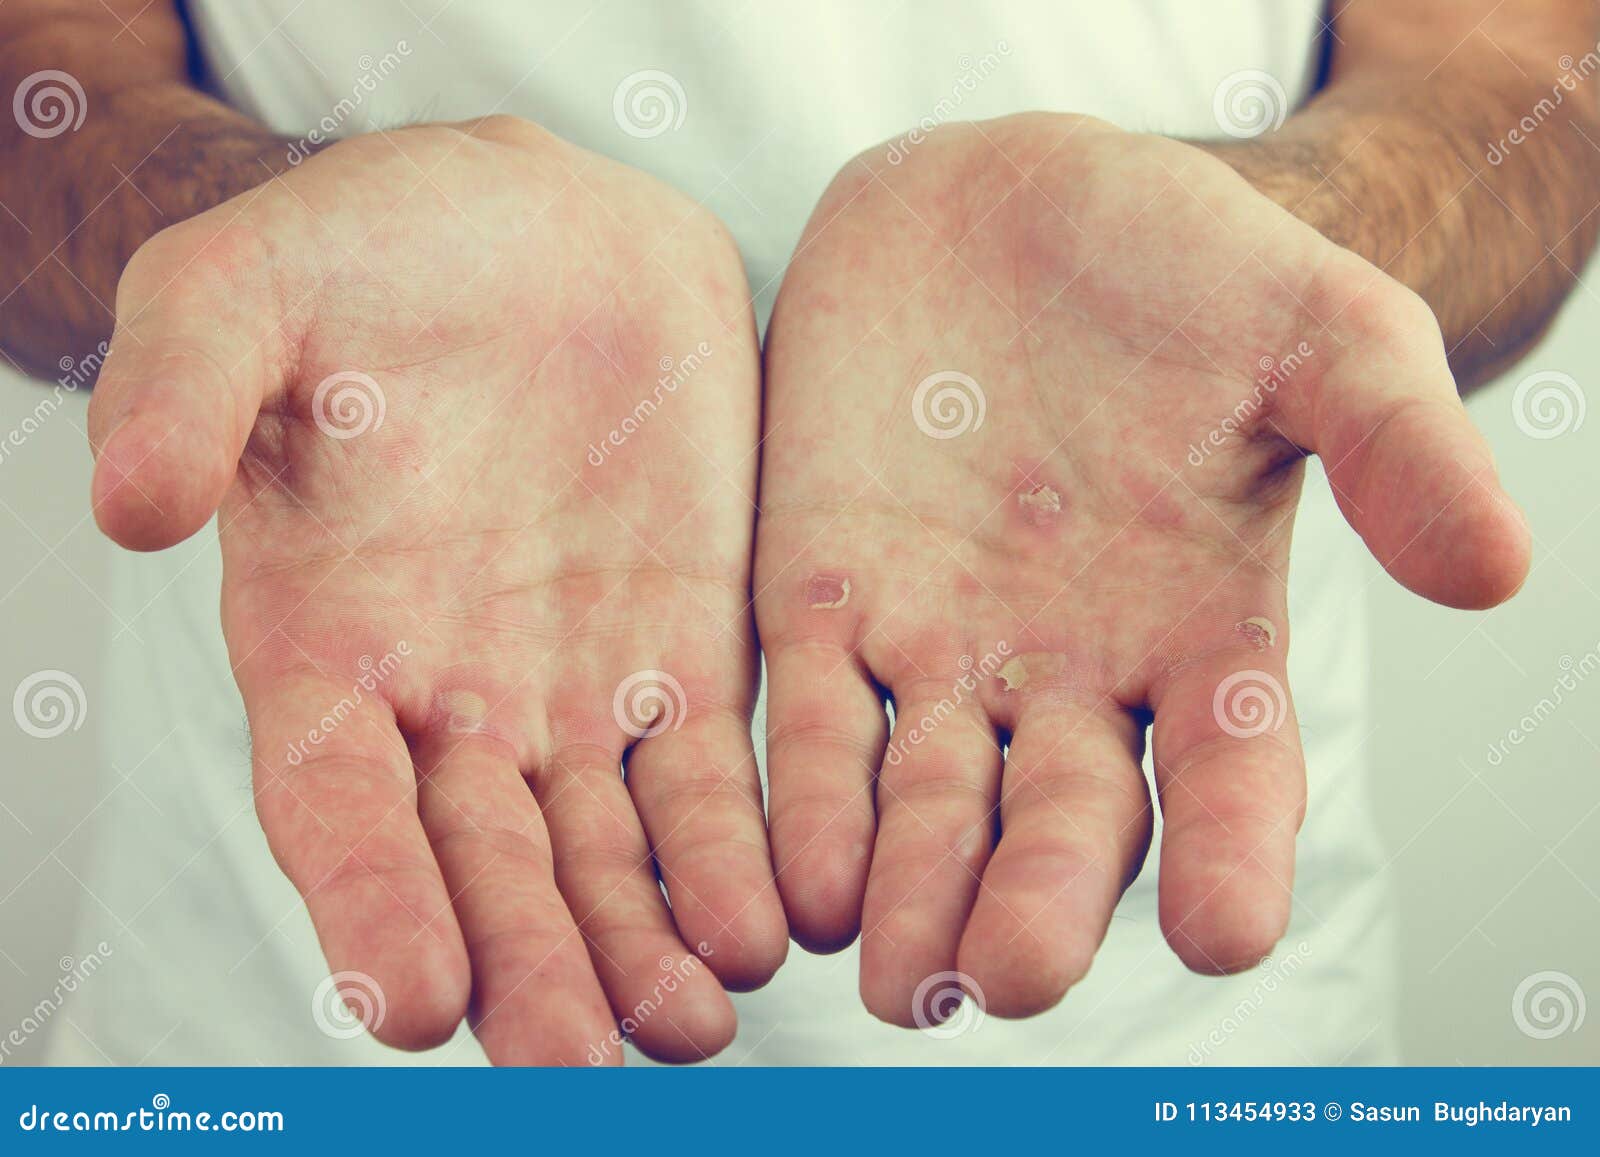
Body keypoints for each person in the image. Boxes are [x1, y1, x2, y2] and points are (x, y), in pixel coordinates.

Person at [0, 0, 1592, 1066]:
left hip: (1176, 1038)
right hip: (287, 998)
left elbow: (1514, 63)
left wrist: (1282, 249)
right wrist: (239, 248)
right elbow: (40, 62)